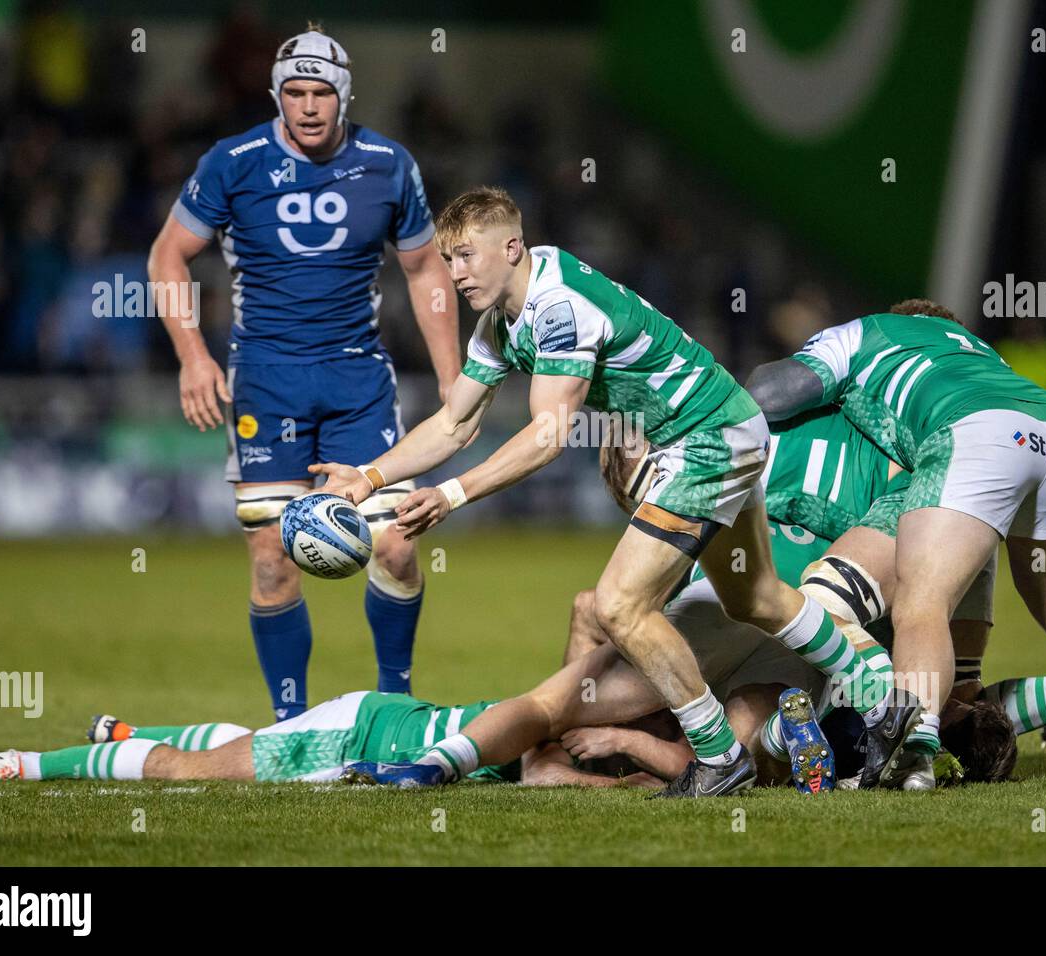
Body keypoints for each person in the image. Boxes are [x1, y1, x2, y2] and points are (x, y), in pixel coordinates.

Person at [311, 186, 892, 798]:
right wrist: (371, 476)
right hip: (726, 426)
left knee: (618, 605)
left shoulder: (558, 307)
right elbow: (455, 421)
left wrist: (451, 496)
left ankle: (720, 755)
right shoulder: (502, 323)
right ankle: (881, 697)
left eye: (465, 256)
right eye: (448, 259)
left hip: (706, 439)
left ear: (511, 248)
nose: (455, 273)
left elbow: (549, 434)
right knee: (757, 599)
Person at [746, 300, 1046, 786]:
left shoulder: (867, 331)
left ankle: (915, 758)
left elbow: (769, 392)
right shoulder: (978, 352)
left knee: (921, 603)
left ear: (909, 318)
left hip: (971, 436)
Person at [147, 25, 459, 718]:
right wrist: (193, 357)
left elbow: (424, 267)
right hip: (266, 381)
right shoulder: (233, 162)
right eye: (295, 92)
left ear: (344, 95)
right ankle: (290, 723)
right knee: (270, 559)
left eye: (322, 92)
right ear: (275, 96)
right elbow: (168, 256)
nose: (309, 106)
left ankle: (395, 707)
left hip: (358, 386)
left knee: (399, 547)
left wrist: (451, 379)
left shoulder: (388, 163)